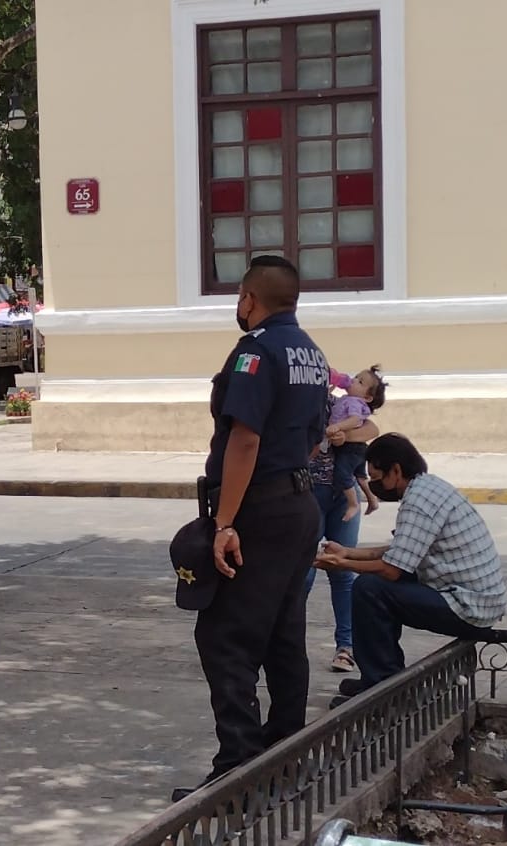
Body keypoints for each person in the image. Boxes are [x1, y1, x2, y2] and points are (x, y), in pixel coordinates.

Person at [182, 255, 327, 795]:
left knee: (226, 637)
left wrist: (224, 523)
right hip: (298, 505)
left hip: (257, 512)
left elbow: (244, 439)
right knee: (284, 636)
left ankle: (237, 770)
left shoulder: (256, 351)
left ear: (249, 299)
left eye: (238, 298)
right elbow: (315, 438)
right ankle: (286, 755)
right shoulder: (310, 353)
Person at [315, 433, 506, 706]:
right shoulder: (428, 488)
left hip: (469, 606)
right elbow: (401, 550)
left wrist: (342, 564)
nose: (375, 485)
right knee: (377, 587)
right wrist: (347, 552)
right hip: (472, 598)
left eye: (378, 478)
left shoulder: (419, 501)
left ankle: (383, 688)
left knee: (370, 589)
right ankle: (379, 679)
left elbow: (391, 570)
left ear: (396, 470)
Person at [303, 408, 380, 675]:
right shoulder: (291, 400)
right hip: (307, 493)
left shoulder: (335, 404)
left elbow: (371, 429)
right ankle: (289, 643)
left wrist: (342, 436)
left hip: (341, 494)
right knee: (304, 572)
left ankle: (346, 647)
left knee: (344, 571)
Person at [323, 366, 386, 523]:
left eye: (360, 381)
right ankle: (371, 498)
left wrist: (341, 432)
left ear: (368, 397)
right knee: (360, 476)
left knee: (343, 475)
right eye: (356, 377)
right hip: (356, 450)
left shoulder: (354, 403)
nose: (353, 381)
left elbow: (362, 424)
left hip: (350, 450)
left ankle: (353, 504)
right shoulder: (345, 399)